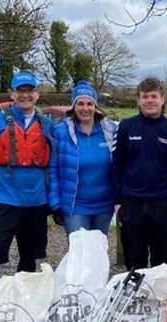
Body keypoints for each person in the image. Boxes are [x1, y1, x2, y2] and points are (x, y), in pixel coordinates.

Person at [0, 71, 54, 303]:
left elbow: (55, 165)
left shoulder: (47, 124)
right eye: (20, 91)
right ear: (12, 94)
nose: (25, 95)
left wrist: (56, 202)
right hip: (3, 201)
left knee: (29, 258)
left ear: (37, 94)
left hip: (35, 203)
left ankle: (24, 309)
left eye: (30, 90)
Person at [111, 76, 167, 270]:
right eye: (145, 97)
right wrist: (118, 201)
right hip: (131, 204)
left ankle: (161, 300)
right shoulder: (125, 127)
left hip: (162, 205)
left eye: (154, 96)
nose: (149, 101)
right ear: (138, 100)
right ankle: (136, 299)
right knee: (134, 261)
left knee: (163, 263)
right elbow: (116, 165)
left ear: (162, 99)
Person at [49, 80, 117, 236]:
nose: (85, 108)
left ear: (95, 106)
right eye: (80, 104)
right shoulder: (61, 132)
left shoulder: (110, 130)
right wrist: (55, 202)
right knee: (79, 253)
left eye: (89, 104)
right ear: (73, 106)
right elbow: (53, 169)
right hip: (75, 206)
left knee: (98, 250)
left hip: (104, 205)